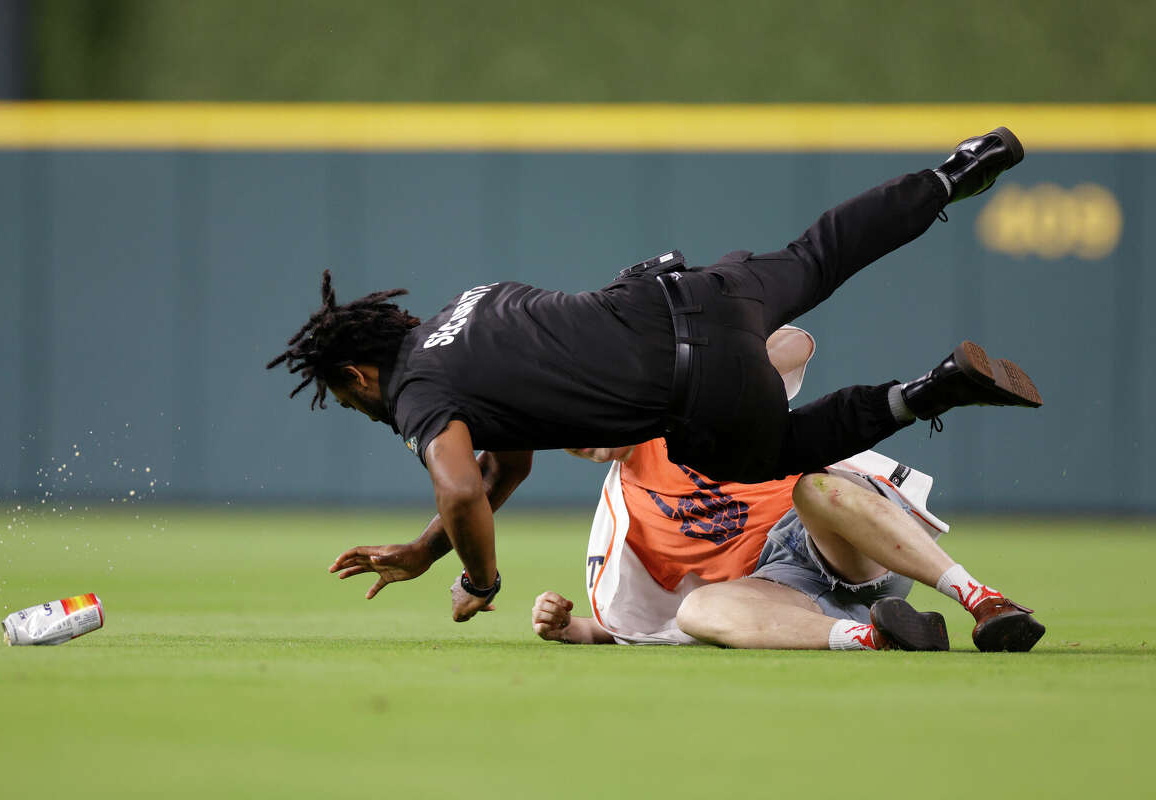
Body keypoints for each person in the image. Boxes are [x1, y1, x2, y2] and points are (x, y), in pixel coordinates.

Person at [270, 127, 1041, 623]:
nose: (355, 405)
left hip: (702, 391)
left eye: (343, 394)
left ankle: (923, 392)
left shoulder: (414, 392)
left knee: (774, 454)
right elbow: (506, 461)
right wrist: (424, 550)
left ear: (356, 370)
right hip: (697, 292)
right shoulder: (471, 304)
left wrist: (480, 582)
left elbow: (464, 486)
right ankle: (953, 173)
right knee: (819, 253)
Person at [534, 328, 1043, 651]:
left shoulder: (689, 409)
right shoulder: (625, 513)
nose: (579, 440)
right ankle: (879, 637)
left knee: (812, 490)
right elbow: (643, 620)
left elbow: (795, 343)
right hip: (783, 588)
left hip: (843, 539)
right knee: (699, 611)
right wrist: (572, 628)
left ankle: (983, 602)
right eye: (563, 435)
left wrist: (712, 375)